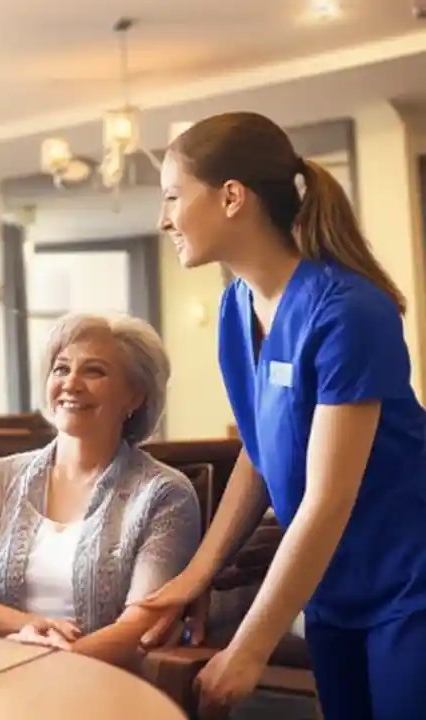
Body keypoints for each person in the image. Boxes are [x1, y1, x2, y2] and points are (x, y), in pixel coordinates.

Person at [144, 111, 426, 717]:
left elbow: (327, 498)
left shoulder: (349, 310)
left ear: (231, 198)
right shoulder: (235, 307)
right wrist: (198, 574)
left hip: (410, 581)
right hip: (330, 586)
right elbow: (262, 452)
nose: (163, 219)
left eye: (172, 196)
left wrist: (251, 645)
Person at [0, 314, 201, 670]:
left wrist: (39, 663)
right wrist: (27, 628)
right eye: (61, 369)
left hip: (101, 690)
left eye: (94, 371)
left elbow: (140, 628)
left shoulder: (165, 495)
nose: (72, 384)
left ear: (135, 396)